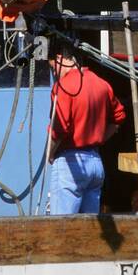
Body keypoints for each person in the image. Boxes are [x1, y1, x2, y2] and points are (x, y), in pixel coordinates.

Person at [46, 45, 127, 216]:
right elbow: (118, 119)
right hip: (95, 162)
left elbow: (60, 128)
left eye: (53, 68)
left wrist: (50, 154)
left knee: (61, 229)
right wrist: (100, 138)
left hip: (71, 162)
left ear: (60, 59)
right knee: (89, 231)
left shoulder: (64, 87)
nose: (54, 74)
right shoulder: (102, 84)